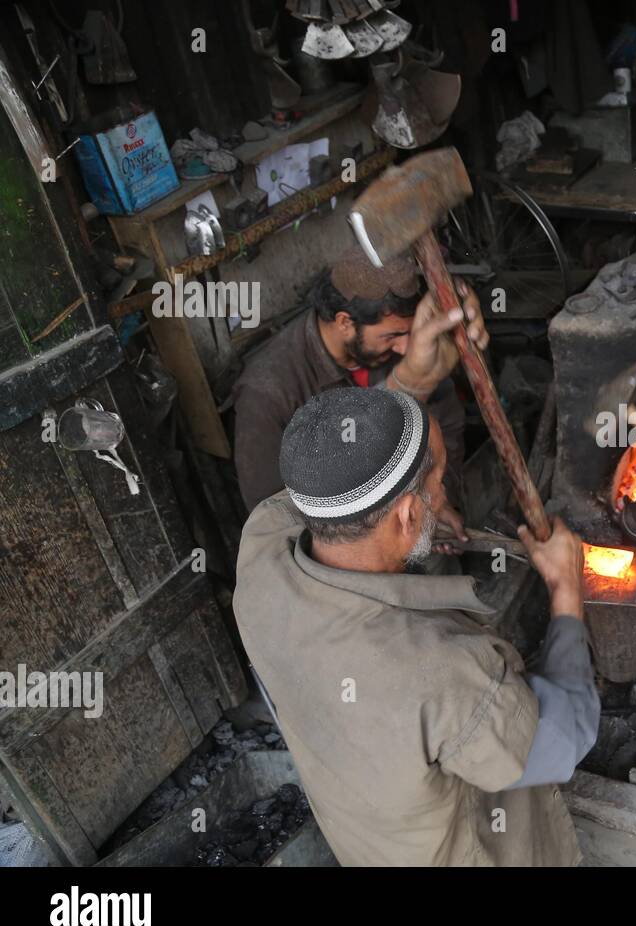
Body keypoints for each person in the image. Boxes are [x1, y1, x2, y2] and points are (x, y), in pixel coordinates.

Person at [233, 387, 598, 865]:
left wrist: (419, 525)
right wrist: (566, 592)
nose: (445, 494)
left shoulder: (260, 547)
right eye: (440, 483)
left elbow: (340, 475)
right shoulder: (443, 672)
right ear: (405, 513)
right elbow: (567, 739)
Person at [232, 246, 488, 549]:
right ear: (344, 323)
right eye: (391, 336)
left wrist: (437, 499)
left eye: (408, 334)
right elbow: (273, 516)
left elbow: (447, 424)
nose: (405, 349)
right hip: (340, 560)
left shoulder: (405, 351)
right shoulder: (268, 394)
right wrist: (378, 535)